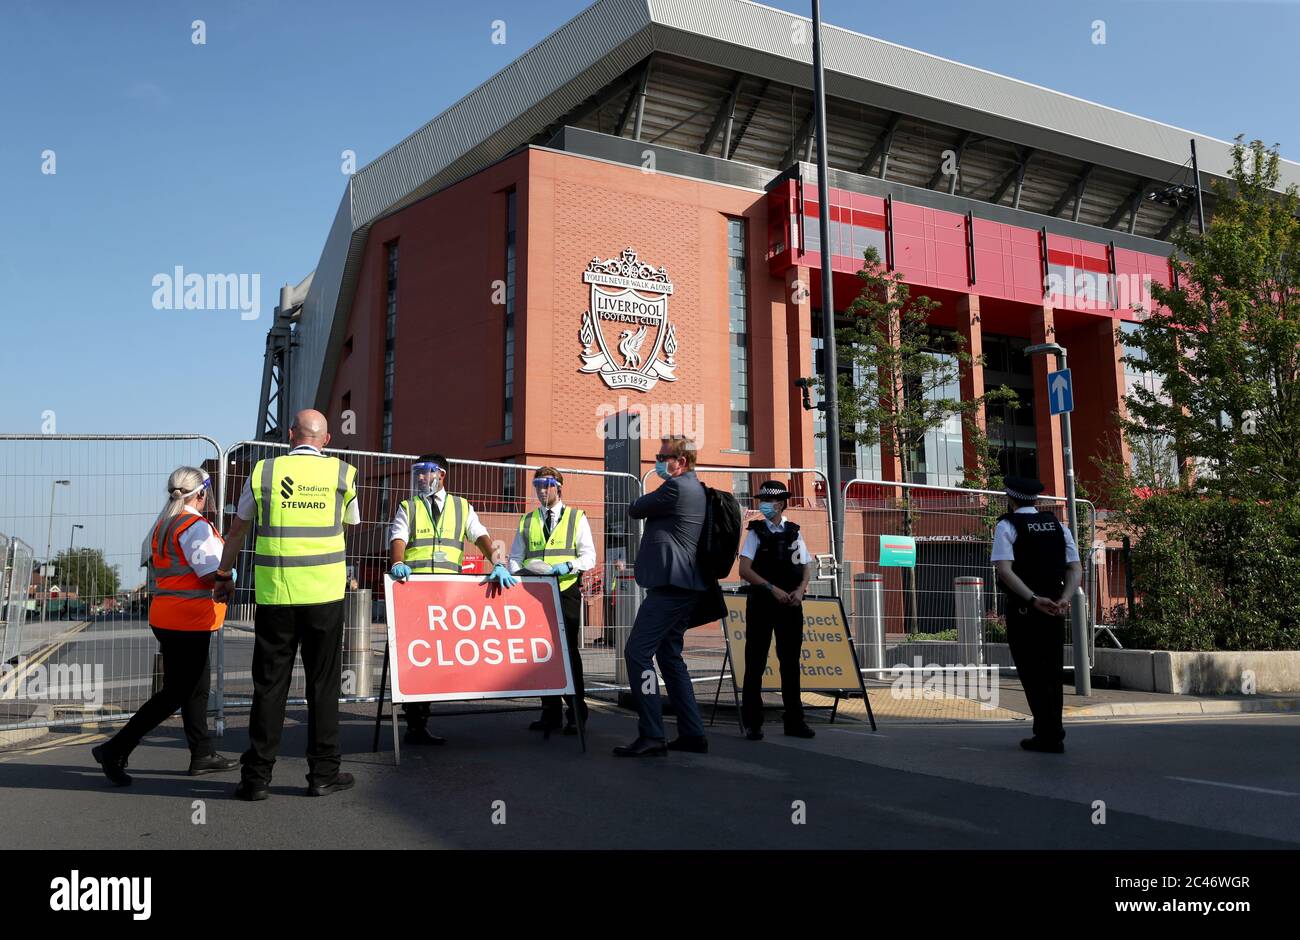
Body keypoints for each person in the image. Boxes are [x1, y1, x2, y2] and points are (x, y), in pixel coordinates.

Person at [213, 409, 360, 799]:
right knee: (324, 686)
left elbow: (238, 529)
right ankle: (323, 774)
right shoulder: (343, 475)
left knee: (270, 687)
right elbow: (350, 525)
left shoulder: (263, 473)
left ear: (291, 434)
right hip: (325, 596)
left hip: (277, 595)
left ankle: (256, 778)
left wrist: (224, 574)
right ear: (326, 440)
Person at [91, 467, 238, 786]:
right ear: (201, 493)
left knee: (196, 688)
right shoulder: (193, 526)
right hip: (189, 620)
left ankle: (202, 753)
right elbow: (210, 571)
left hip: (169, 617)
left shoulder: (163, 525)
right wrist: (231, 575)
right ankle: (114, 749)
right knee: (175, 693)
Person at [387, 452, 518, 745]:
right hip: (416, 591)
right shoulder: (409, 507)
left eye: (425, 472)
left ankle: (422, 719)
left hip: (447, 595)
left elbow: (481, 536)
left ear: (441, 475)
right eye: (417, 473)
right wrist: (397, 562)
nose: (420, 478)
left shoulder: (461, 507)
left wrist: (498, 562)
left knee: (436, 658)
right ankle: (415, 724)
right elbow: (398, 538)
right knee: (416, 657)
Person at [614, 435, 710, 757]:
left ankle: (652, 734)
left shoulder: (676, 488)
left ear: (681, 462)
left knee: (637, 654)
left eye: (662, 456)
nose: (657, 461)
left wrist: (653, 499)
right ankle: (692, 733)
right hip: (684, 586)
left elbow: (635, 508)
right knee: (670, 658)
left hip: (671, 588)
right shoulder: (695, 488)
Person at [991, 475, 1083, 754]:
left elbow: (1005, 570)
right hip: (1055, 608)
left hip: (1026, 610)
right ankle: (1052, 732)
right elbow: (1075, 567)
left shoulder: (1008, 525)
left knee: (1031, 672)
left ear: (1010, 498)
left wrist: (1032, 599)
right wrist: (1064, 599)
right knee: (1052, 671)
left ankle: (1047, 735)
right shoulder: (1058, 526)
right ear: (1036, 499)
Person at [509, 467, 596, 735]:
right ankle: (550, 713)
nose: (541, 491)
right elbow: (515, 556)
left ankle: (576, 714)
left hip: (566, 589)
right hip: (535, 592)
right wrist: (514, 573)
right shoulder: (528, 520)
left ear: (559, 487)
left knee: (568, 651)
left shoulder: (576, 517)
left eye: (546, 486)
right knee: (542, 652)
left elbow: (589, 557)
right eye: (537, 486)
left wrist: (568, 566)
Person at [737, 481, 816, 741]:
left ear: (781, 504)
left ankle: (794, 721)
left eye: (768, 501)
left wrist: (801, 589)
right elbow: (744, 570)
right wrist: (772, 588)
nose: (763, 505)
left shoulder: (794, 531)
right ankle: (753, 723)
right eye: (762, 501)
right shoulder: (755, 532)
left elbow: (806, 565)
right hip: (762, 604)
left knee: (790, 664)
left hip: (791, 605)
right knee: (756, 662)